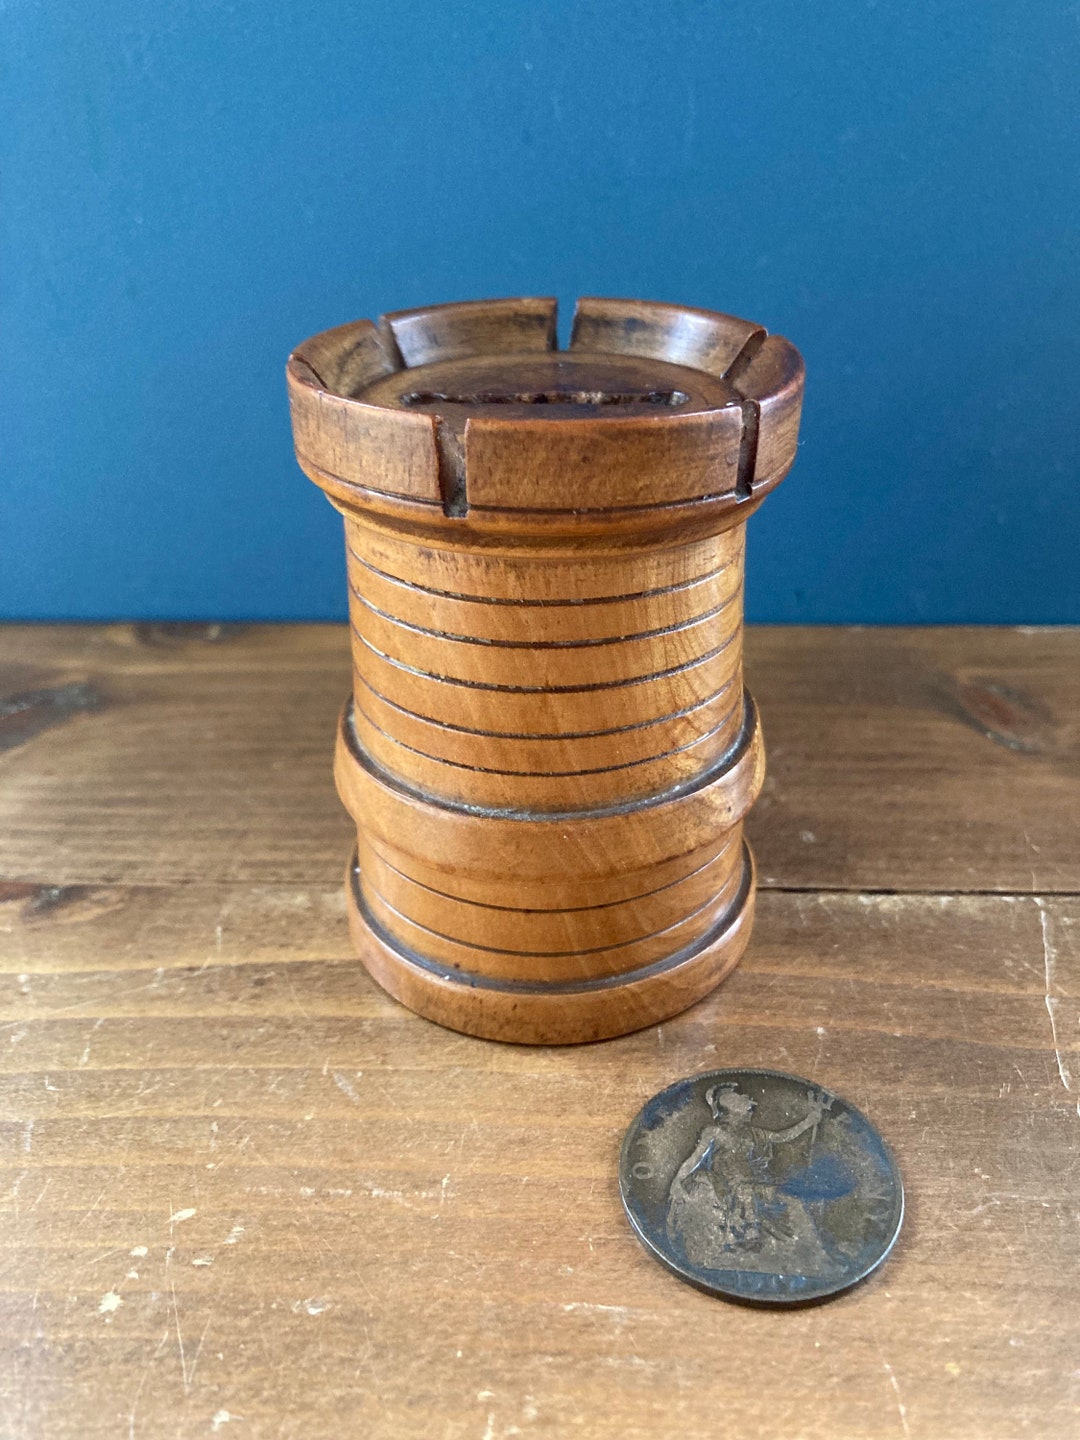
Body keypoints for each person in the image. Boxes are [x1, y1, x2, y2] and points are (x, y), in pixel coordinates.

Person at [666, 1081, 837, 1274]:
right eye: (744, 1101)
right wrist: (677, 1181)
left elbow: (783, 1136)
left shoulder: (754, 1132)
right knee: (786, 1199)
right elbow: (694, 1158)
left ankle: (811, 1253)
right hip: (731, 1186)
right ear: (730, 1106)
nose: (751, 1105)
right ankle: (802, 1253)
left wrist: (808, 1122)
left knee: (791, 1200)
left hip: (753, 1182)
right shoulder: (714, 1132)